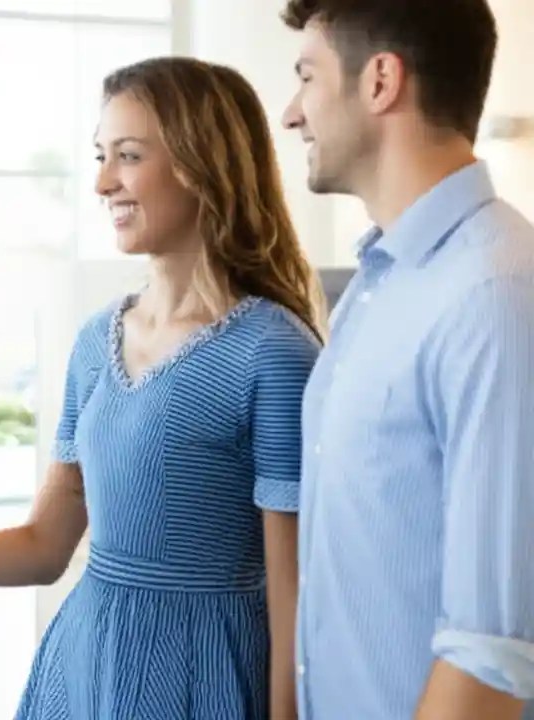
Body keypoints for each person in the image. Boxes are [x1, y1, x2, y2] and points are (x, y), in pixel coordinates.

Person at [0, 56, 324, 719]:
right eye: (101, 156)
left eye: (127, 155)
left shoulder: (274, 353)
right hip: (85, 664)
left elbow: (296, 592)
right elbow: (43, 546)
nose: (103, 183)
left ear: (201, 161)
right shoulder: (96, 340)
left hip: (204, 675)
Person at [279, 1, 534, 718]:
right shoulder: (377, 283)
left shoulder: (497, 292)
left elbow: (491, 659)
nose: (291, 113)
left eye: (307, 77)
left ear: (381, 81)